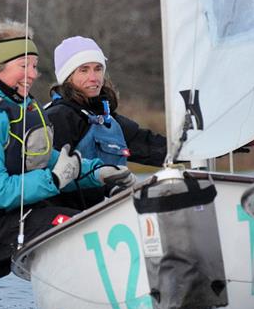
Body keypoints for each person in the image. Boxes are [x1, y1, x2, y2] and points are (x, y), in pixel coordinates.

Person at [0, 22, 135, 278]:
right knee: (83, 230)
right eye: (24, 66)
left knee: (98, 222)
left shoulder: (17, 107)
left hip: (17, 214)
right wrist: (55, 180)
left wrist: (99, 173)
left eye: (35, 66)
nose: (33, 74)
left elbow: (49, 160)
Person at [44, 36, 166, 205]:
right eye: (84, 70)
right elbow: (50, 175)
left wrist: (196, 147)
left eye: (98, 69)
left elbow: (152, 147)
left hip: (106, 211)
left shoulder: (108, 120)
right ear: (67, 77)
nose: (94, 77)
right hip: (69, 215)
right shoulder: (57, 117)